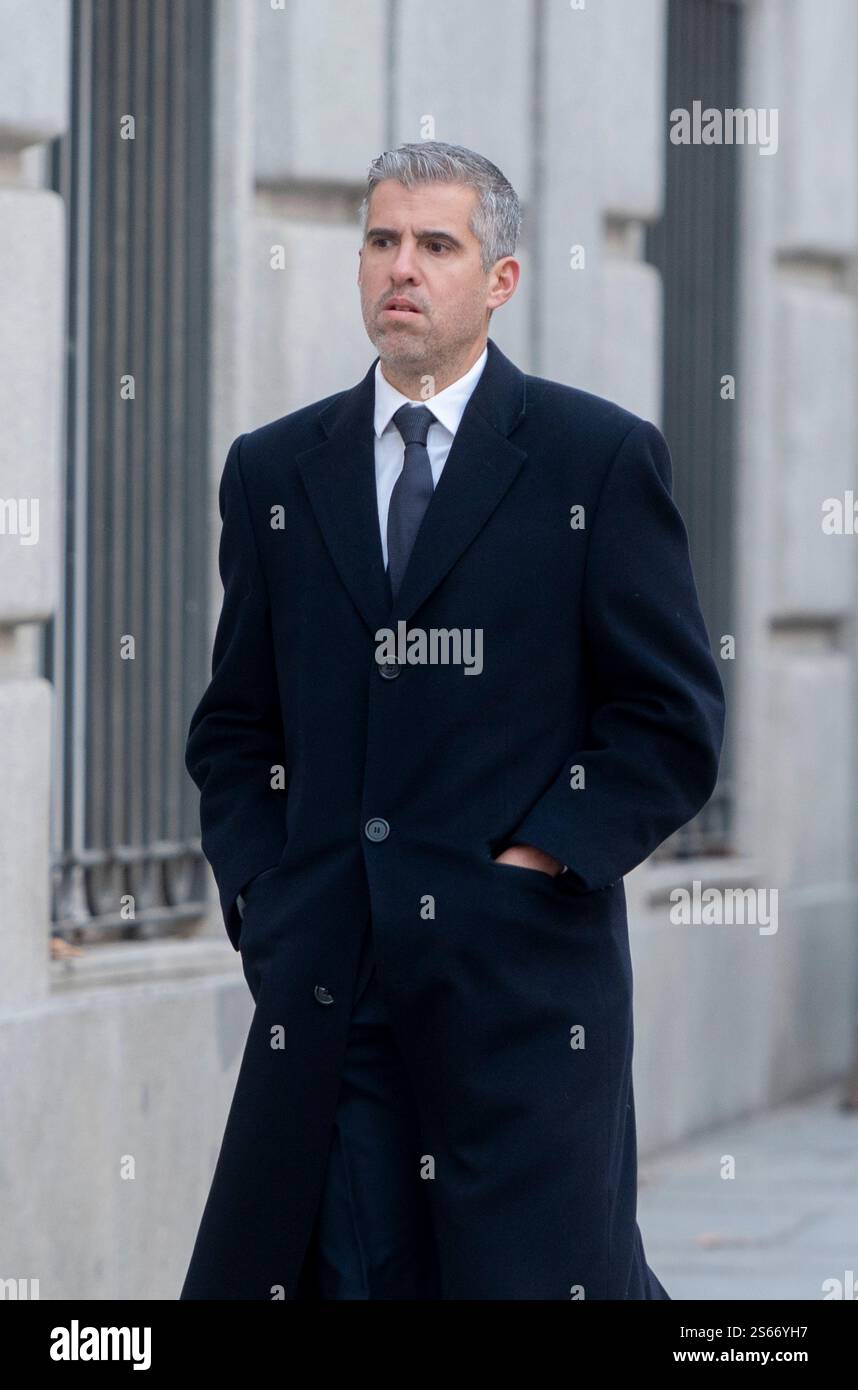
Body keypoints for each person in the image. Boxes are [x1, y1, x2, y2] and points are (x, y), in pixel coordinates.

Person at [180, 140, 725, 1300]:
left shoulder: (597, 458)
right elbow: (236, 731)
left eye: (438, 245)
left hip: (520, 994)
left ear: (502, 279)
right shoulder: (276, 471)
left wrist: (536, 863)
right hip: (329, 988)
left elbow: (667, 721)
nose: (402, 270)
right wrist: (267, 901)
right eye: (382, 241)